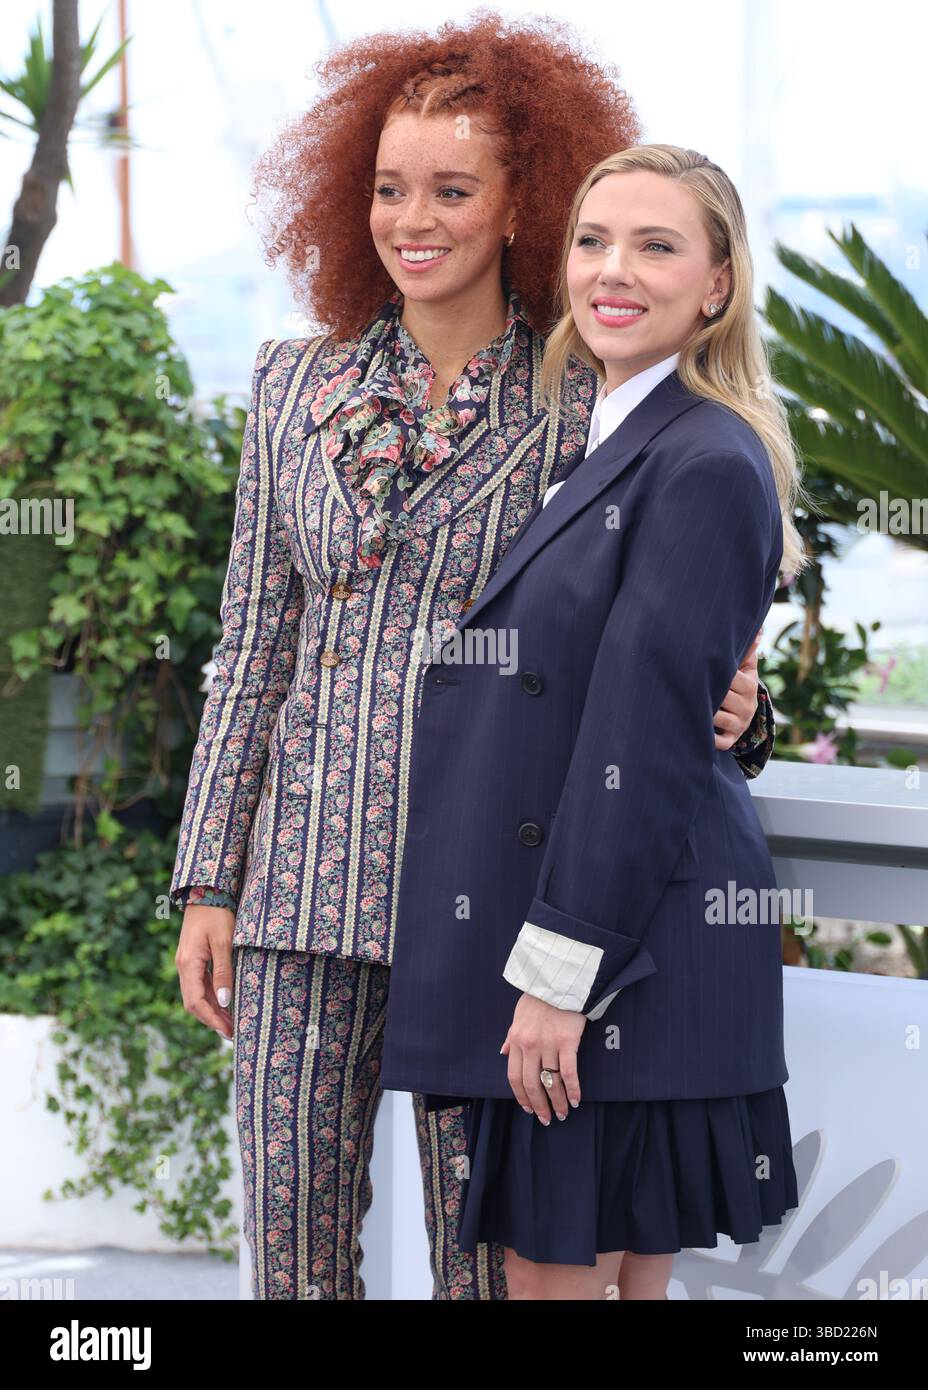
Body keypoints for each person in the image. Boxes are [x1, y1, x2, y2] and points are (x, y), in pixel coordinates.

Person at [170, 16, 777, 1301]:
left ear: (521, 209)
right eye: (390, 188)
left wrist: (746, 700)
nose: (414, 218)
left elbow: (652, 638)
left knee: (484, 1274)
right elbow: (250, 647)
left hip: (488, 906)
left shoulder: (586, 396)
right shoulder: (290, 386)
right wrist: (207, 880)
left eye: (454, 189)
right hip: (298, 894)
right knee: (288, 1259)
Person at [380, 143, 808, 1300]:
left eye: (655, 245)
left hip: (621, 960)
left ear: (716, 283)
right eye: (591, 240)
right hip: (631, 944)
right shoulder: (625, 440)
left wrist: (559, 980)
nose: (612, 270)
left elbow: (639, 742)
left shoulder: (702, 457)